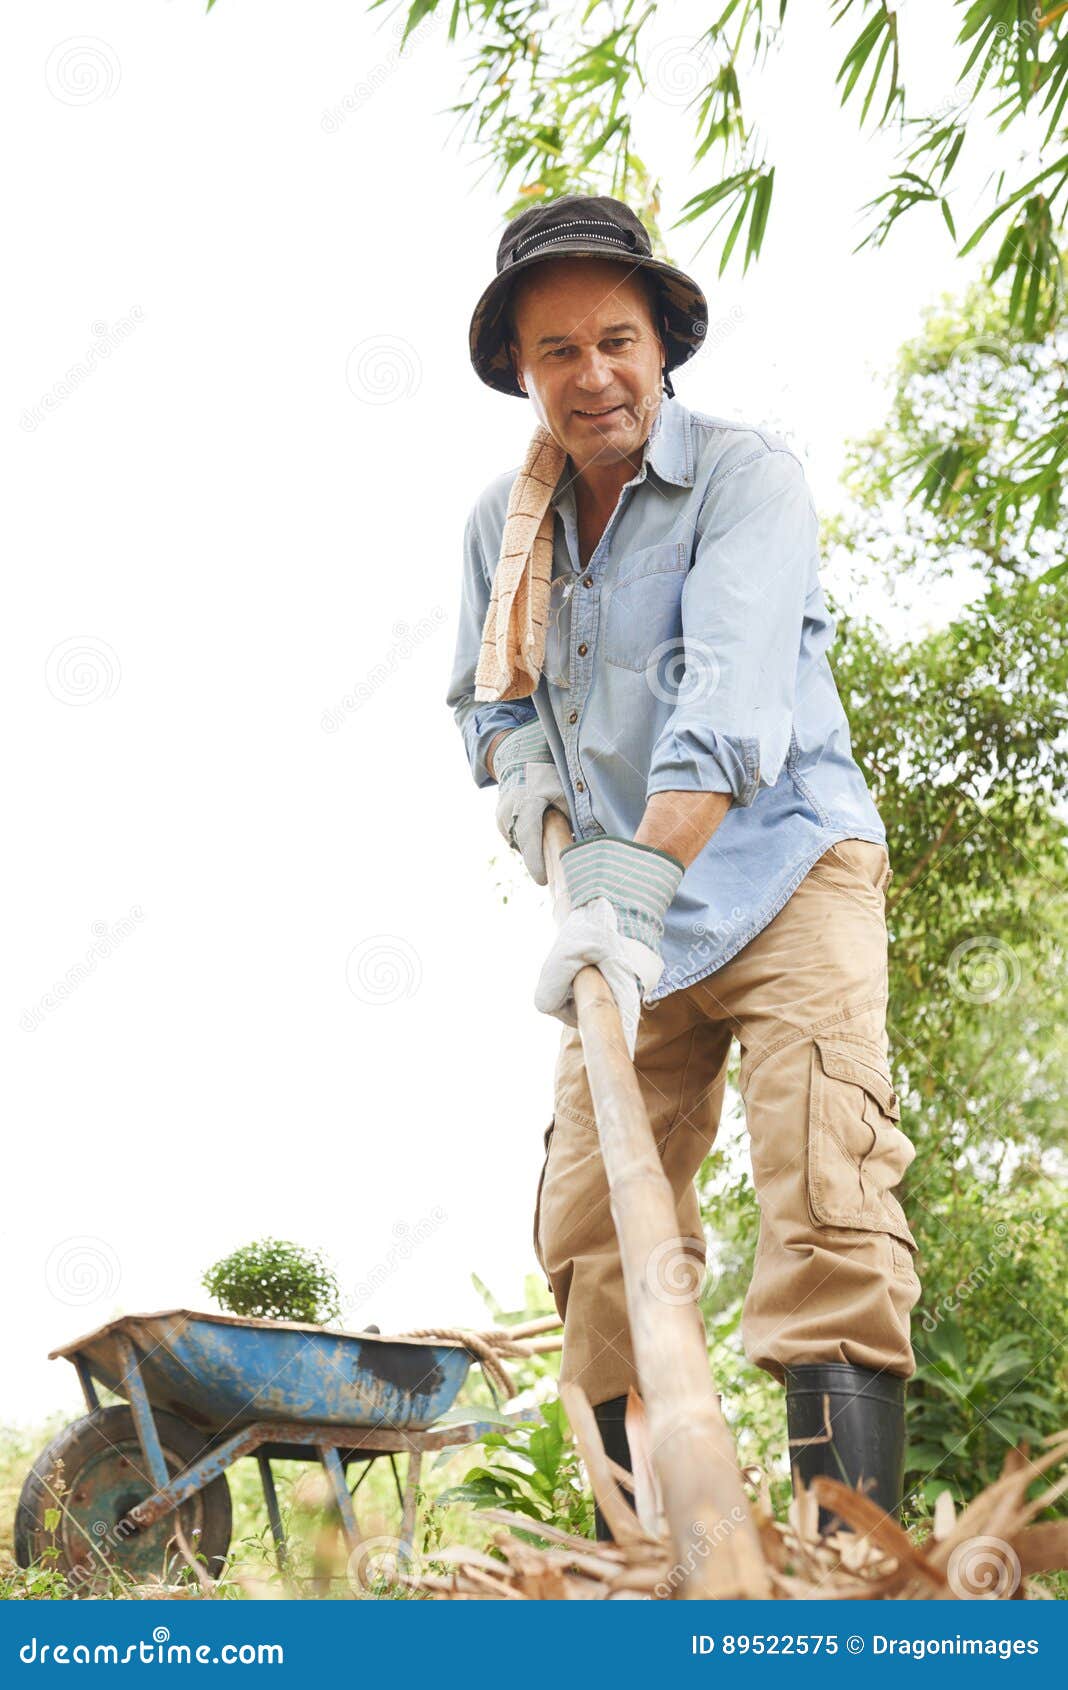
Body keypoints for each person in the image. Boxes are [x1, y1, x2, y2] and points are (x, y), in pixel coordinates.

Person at [446, 193, 921, 1540]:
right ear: (520, 370)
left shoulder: (744, 479)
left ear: (664, 344)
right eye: (556, 352)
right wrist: (554, 840)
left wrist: (630, 894)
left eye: (616, 340)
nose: (591, 376)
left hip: (781, 873)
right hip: (618, 909)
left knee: (827, 1184)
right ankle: (647, 1561)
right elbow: (489, 709)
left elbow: (725, 709)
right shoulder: (503, 527)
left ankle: (846, 1559)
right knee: (593, 1226)